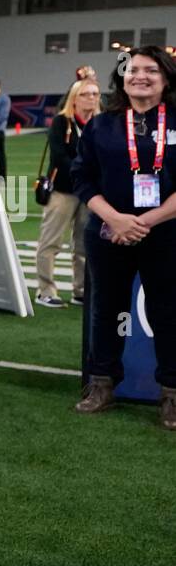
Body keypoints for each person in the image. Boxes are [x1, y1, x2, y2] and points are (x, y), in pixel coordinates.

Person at [72, 45, 176, 429]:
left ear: (165, 78)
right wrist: (116, 219)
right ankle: (102, 383)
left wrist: (145, 221)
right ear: (123, 77)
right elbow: (82, 178)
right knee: (109, 310)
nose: (140, 77)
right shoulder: (103, 124)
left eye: (151, 70)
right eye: (133, 70)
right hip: (107, 231)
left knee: (168, 311)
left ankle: (172, 393)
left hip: (166, 232)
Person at [34, 77, 99, 308]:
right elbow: (59, 156)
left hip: (89, 194)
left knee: (84, 244)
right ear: (75, 97)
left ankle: (80, 291)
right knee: (50, 242)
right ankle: (45, 290)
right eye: (86, 94)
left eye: (95, 93)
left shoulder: (100, 123)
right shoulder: (62, 122)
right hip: (62, 190)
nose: (91, 97)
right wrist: (84, 172)